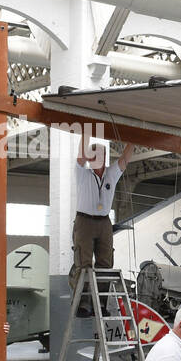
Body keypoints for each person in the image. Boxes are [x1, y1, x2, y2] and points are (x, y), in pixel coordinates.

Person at [70, 134, 134, 316]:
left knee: (105, 263)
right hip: (84, 221)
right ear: (89, 157)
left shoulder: (111, 174)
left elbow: (125, 159)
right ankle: (83, 304)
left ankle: (101, 304)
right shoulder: (82, 173)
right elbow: (80, 155)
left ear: (105, 157)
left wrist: (134, 139)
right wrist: (86, 131)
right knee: (84, 263)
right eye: (95, 155)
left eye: (102, 154)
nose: (99, 158)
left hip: (104, 222)